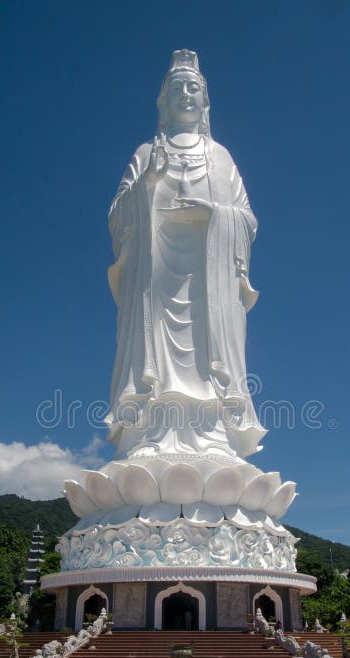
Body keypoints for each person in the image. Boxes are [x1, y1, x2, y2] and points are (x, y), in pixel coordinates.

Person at [106, 49, 265, 460]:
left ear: (205, 100)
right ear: (163, 99)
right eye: (177, 87)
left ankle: (214, 437)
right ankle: (149, 436)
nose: (186, 94)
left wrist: (214, 214)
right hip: (155, 275)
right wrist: (150, 182)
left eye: (194, 87)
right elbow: (116, 215)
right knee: (152, 354)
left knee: (205, 356)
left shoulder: (220, 157)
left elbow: (247, 219)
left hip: (207, 278)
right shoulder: (144, 154)